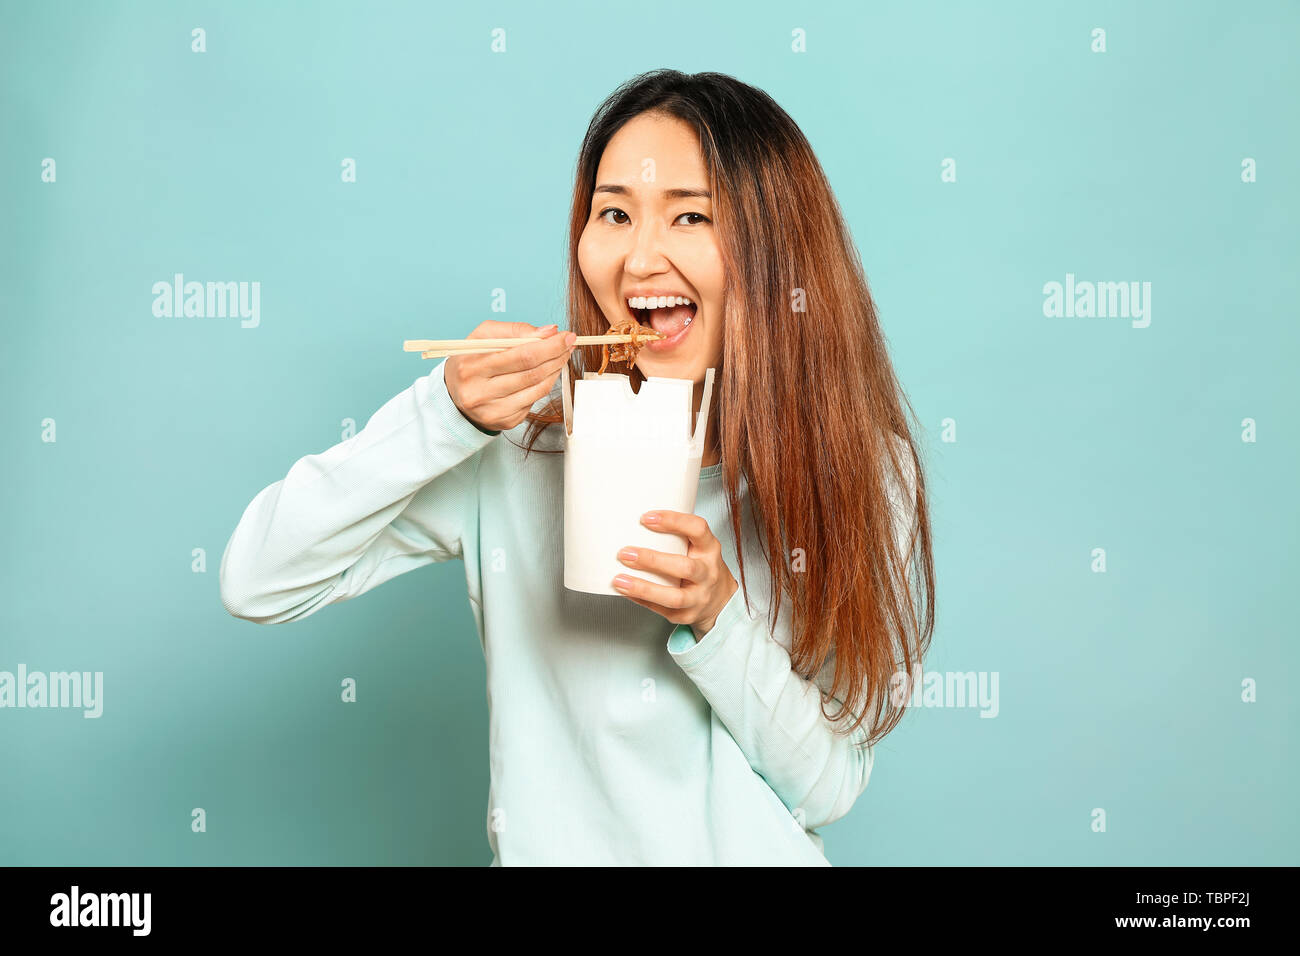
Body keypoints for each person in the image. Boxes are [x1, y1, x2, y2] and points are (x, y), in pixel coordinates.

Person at [220, 69, 934, 866]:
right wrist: (440, 416)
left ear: (775, 250)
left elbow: (828, 787)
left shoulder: (863, 470)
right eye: (614, 213)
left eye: (690, 214)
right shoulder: (517, 447)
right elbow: (257, 579)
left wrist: (717, 616)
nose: (639, 257)